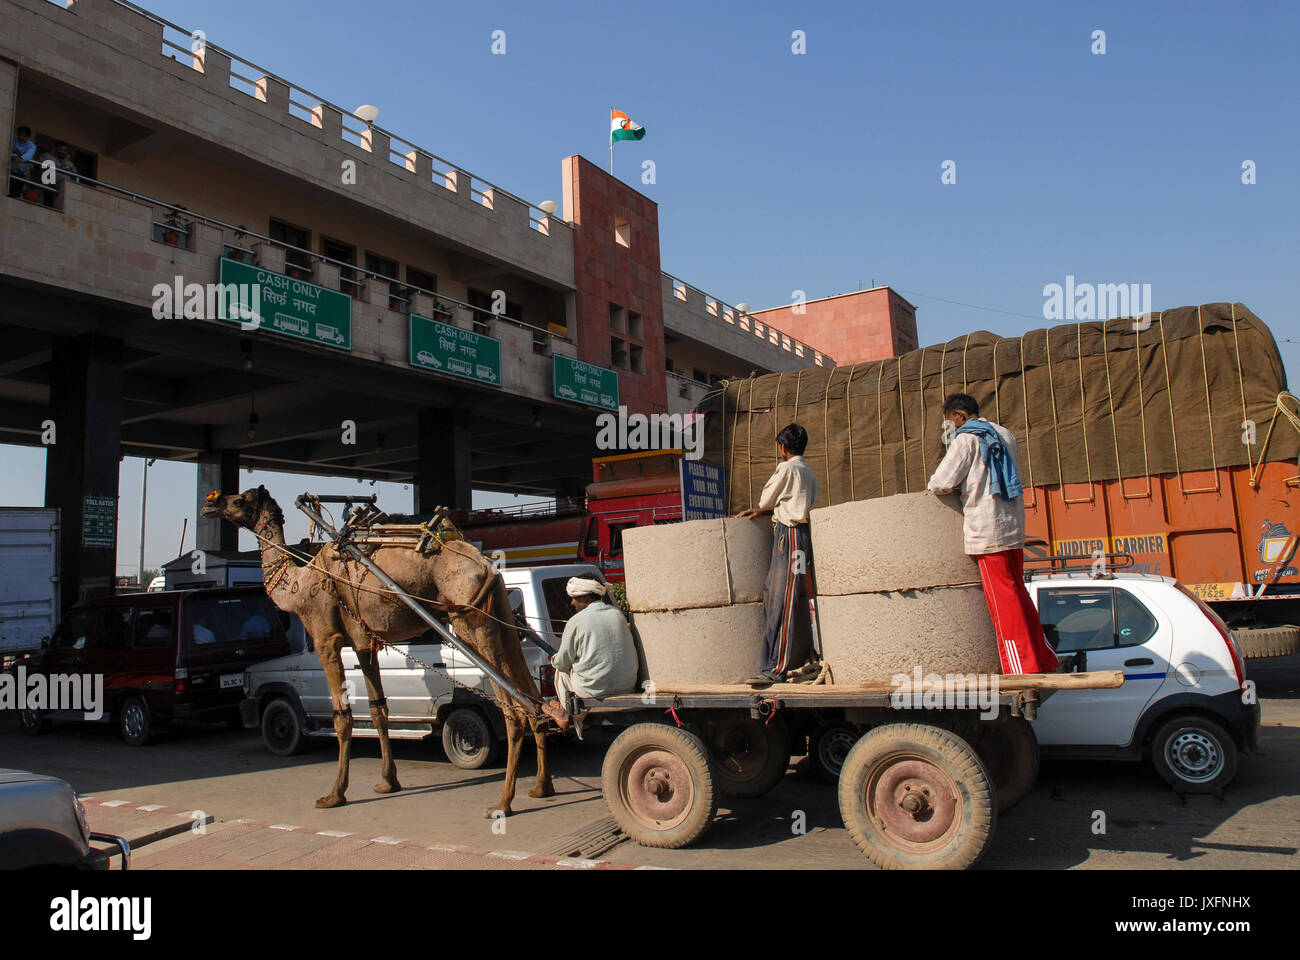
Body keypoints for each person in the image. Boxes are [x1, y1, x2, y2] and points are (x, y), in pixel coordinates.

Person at [927, 393, 1059, 675]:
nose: (951, 428)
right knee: (1019, 593)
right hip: (1012, 527)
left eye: (951, 421)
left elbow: (941, 481)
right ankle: (1041, 657)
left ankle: (1020, 666)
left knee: (1003, 603)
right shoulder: (1004, 433)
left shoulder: (967, 439)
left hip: (986, 532)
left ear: (960, 416)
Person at [733, 422, 819, 685]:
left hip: (789, 537)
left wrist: (760, 509)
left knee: (783, 601)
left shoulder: (787, 467)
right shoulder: (808, 470)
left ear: (782, 447)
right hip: (800, 535)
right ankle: (777, 663)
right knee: (779, 596)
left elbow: (766, 499)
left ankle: (776, 668)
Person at [540, 576, 638, 734]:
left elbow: (563, 662)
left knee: (560, 669)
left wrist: (556, 660)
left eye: (574, 599)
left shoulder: (575, 621)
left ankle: (570, 714)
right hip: (627, 685)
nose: (572, 603)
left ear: (585, 598)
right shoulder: (617, 614)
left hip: (594, 690)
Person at [37, 140, 77, 206]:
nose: (62, 152)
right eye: (60, 149)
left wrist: (68, 169)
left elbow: (75, 177)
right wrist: (61, 167)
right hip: (46, 187)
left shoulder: (70, 164)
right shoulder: (47, 156)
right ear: (55, 149)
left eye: (64, 150)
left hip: (61, 192)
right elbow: (44, 169)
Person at [9, 125, 37, 198]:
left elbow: (30, 154)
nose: (21, 138)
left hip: (20, 172)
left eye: (24, 136)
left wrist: (21, 158)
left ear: (28, 137)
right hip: (8, 168)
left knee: (15, 192)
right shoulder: (13, 139)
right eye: (20, 135)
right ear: (17, 134)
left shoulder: (31, 146)